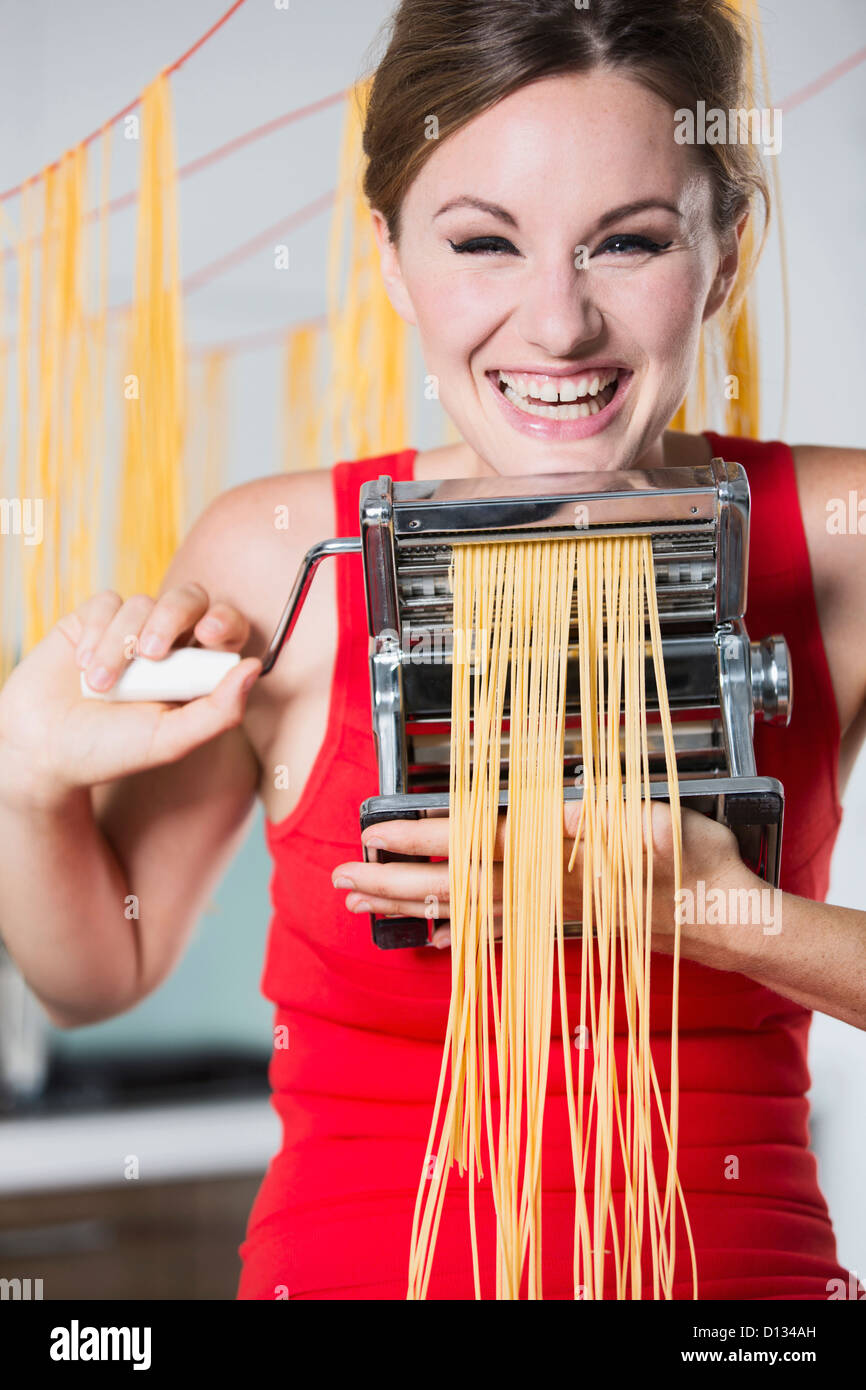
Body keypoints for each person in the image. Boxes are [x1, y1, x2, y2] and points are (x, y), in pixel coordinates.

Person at [0, 0, 864, 1299]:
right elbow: (94, 973)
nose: (556, 324)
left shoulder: (844, 535)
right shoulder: (268, 553)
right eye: (482, 243)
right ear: (392, 262)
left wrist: (712, 912)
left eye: (627, 242)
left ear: (724, 253)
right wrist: (24, 778)